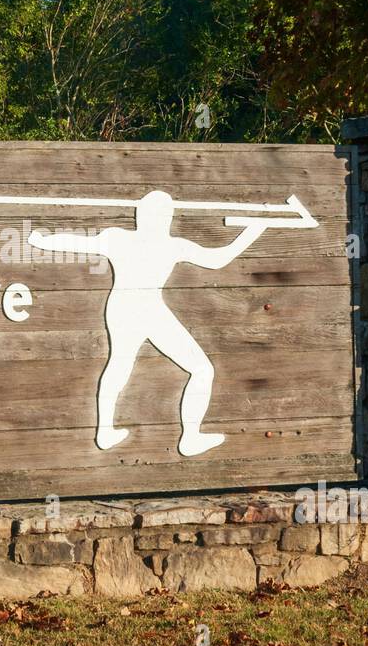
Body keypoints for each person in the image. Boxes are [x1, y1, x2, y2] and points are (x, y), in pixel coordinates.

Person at [29, 190, 270, 457]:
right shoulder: (123, 238)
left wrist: (253, 232)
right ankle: (111, 432)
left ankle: (184, 437)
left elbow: (216, 260)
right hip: (130, 307)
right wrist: (42, 240)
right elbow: (78, 243)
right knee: (164, 367)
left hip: (142, 308)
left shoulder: (161, 243)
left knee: (196, 369)